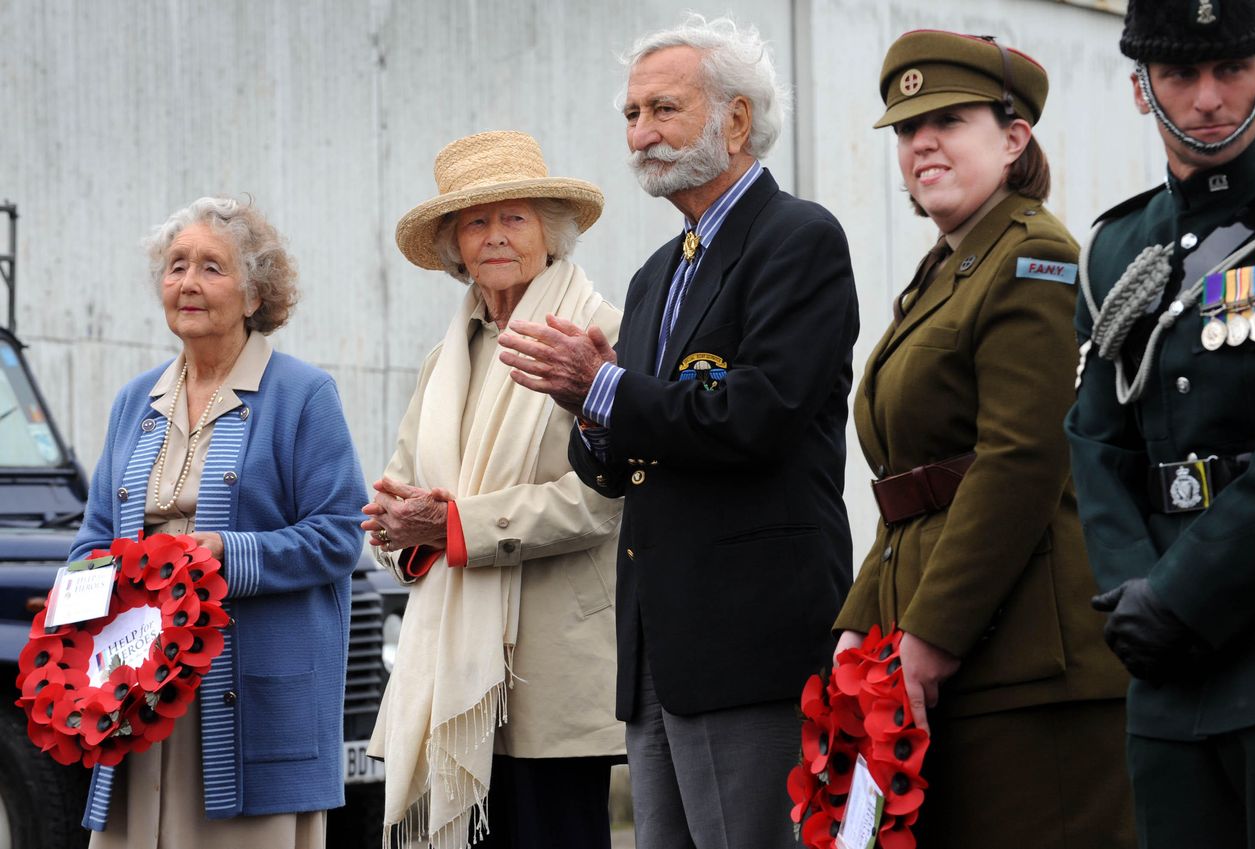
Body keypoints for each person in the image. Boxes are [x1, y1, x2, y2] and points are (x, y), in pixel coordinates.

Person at [497, 15, 857, 849]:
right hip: (658, 645)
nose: (640, 134)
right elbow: (613, 468)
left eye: (663, 109)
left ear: (736, 120)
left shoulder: (799, 239)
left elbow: (756, 416)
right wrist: (584, 403)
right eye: (630, 114)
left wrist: (609, 388)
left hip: (748, 640)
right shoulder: (657, 272)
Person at [831, 30, 1134, 848]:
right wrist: (863, 625)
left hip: (1029, 664)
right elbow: (911, 483)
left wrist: (930, 632)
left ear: (1013, 137)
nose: (921, 141)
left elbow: (1021, 459)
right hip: (950, 641)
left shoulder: (1033, 254)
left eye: (949, 119)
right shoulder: (946, 267)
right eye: (904, 127)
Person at [70, 197, 368, 847]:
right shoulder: (134, 400)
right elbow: (94, 537)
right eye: (176, 266)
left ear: (256, 290)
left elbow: (342, 533)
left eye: (212, 266)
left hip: (248, 698)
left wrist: (225, 555)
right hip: (139, 691)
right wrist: (78, 598)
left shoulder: (303, 394)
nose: (188, 283)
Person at [362, 130, 624, 849]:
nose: (496, 236)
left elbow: (601, 500)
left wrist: (451, 528)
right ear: (455, 248)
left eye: (515, 217)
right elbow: (397, 507)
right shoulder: (443, 360)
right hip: (447, 673)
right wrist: (397, 531)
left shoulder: (600, 335)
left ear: (551, 231)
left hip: (556, 671)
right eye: (476, 222)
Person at [1066, 1, 1255, 845]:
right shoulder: (1116, 252)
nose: (1207, 98)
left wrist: (1185, 594)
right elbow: (1093, 436)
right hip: (1160, 661)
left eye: (1230, 68)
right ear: (1138, 88)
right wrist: (1133, 594)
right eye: (1179, 74)